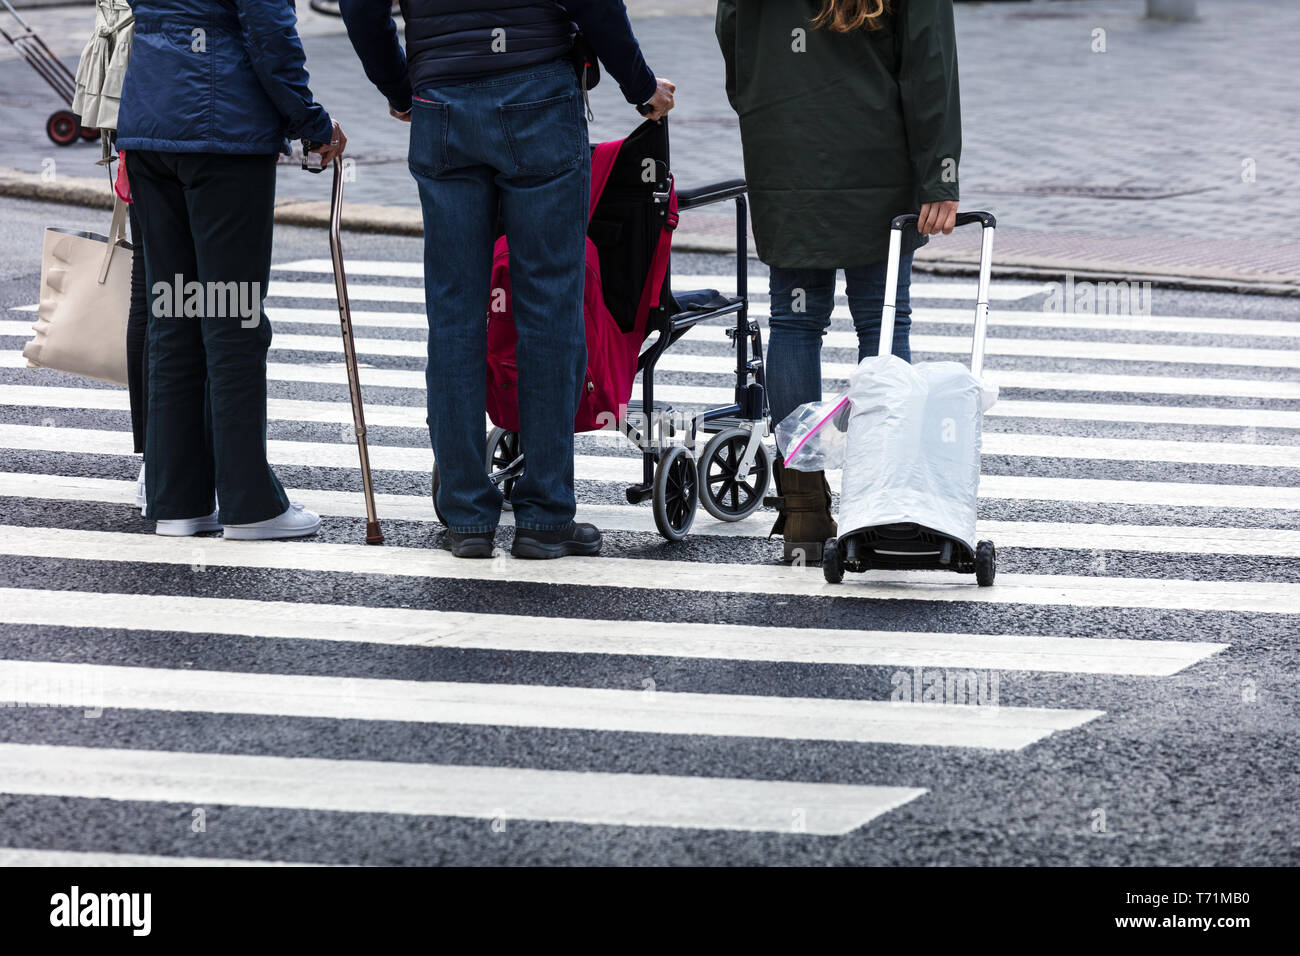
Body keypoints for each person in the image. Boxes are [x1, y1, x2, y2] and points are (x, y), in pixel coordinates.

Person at [339, 0, 675, 559]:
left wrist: (400, 87)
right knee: (549, 303)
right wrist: (639, 87)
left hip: (442, 96)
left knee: (454, 313)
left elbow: (359, 8)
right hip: (538, 92)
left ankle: (468, 516)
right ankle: (544, 515)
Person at [716, 0, 962, 563]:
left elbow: (732, 32)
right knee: (882, 324)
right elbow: (930, 64)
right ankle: (883, 490)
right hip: (876, 152)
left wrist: (763, 108)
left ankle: (803, 502)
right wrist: (939, 171)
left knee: (795, 323)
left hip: (786, 150)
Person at [116, 0, 345, 538]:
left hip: (150, 119)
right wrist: (310, 121)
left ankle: (178, 501)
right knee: (233, 318)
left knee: (173, 315)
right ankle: (250, 503)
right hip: (222, 132)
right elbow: (270, 34)